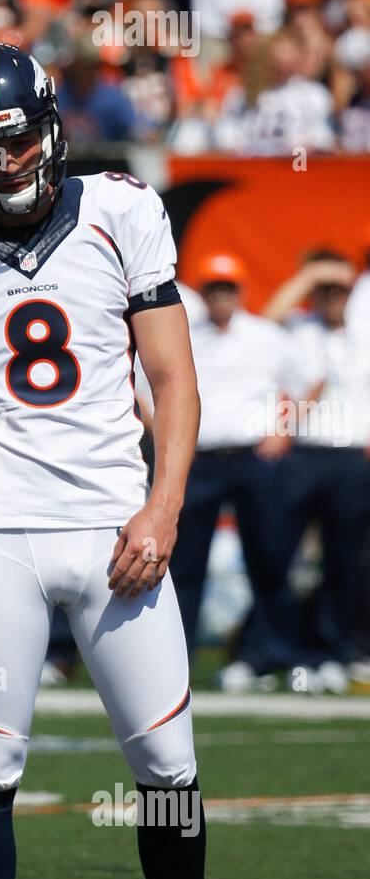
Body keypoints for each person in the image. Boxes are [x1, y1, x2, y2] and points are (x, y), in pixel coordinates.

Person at [0, 43, 284, 879]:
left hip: (114, 528)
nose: (3, 166)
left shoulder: (123, 209)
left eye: (17, 142)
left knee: (168, 765)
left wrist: (162, 510)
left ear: (51, 127)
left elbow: (174, 382)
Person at [172, 252, 300, 689]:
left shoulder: (265, 336)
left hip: (253, 459)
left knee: (268, 558)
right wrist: (168, 437)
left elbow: (307, 379)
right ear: (203, 292)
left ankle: (265, 656)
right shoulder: (185, 333)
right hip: (200, 458)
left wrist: (284, 430)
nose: (220, 296)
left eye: (227, 288)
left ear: (240, 291)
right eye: (213, 288)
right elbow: (149, 383)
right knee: (185, 564)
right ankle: (174, 662)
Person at [265, 250, 370, 690]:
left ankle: (337, 649)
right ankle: (284, 651)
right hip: (304, 455)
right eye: (325, 292)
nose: (334, 298)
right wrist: (310, 276)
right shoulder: (299, 329)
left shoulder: (363, 329)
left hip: (350, 457)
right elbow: (266, 320)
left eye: (341, 291)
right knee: (279, 557)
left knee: (347, 562)